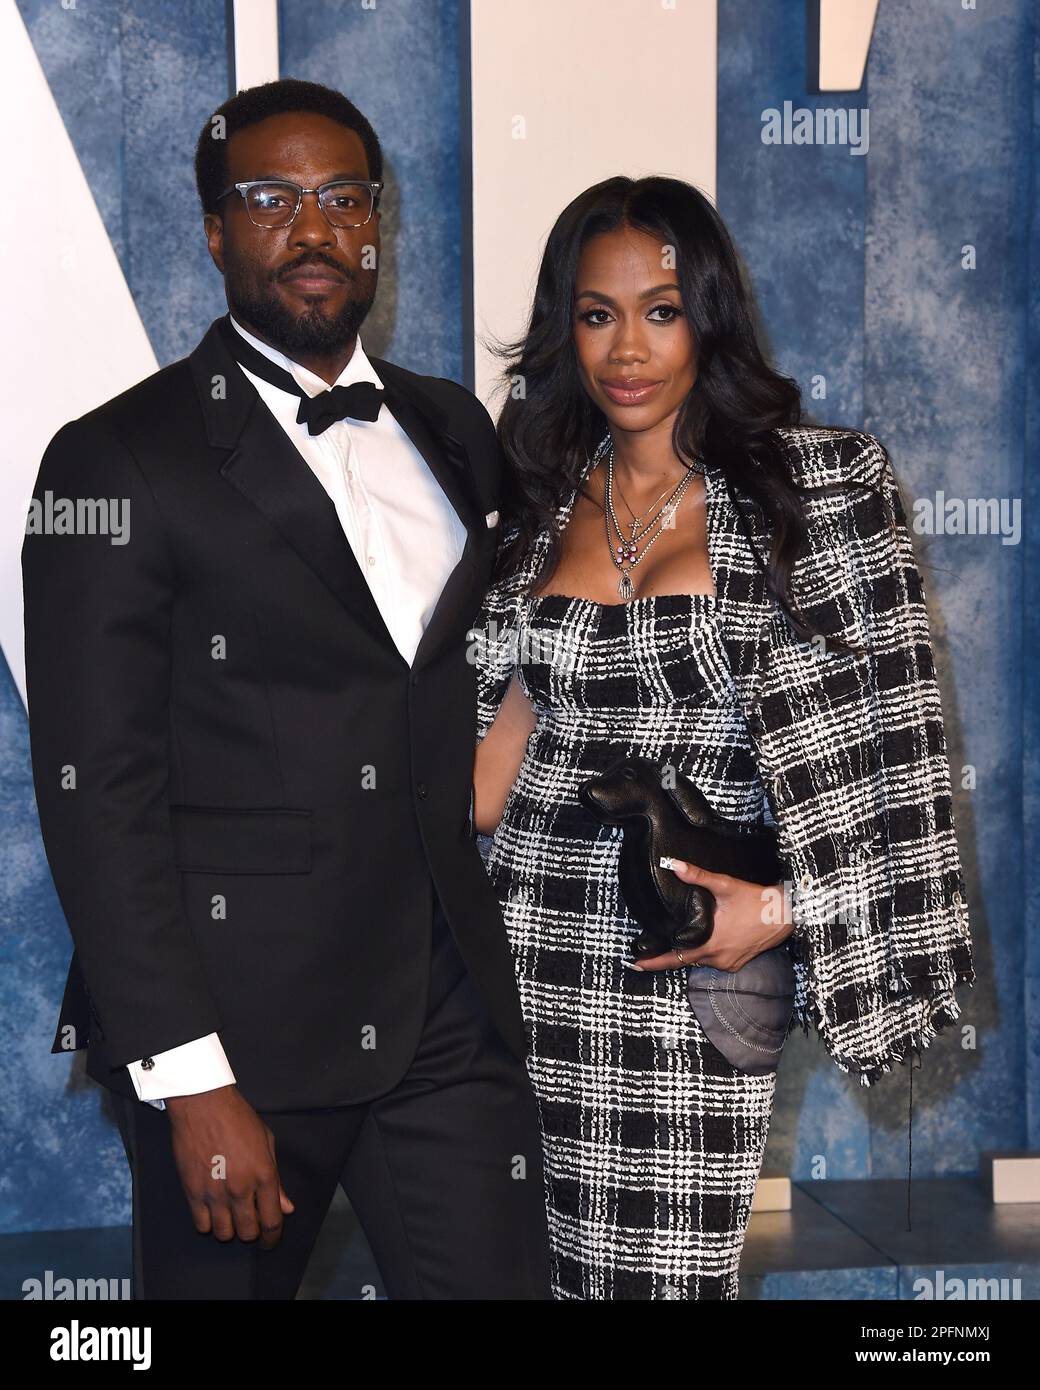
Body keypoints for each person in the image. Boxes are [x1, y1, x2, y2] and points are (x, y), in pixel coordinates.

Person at [22, 77, 551, 1301]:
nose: (311, 230)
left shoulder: (453, 429)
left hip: (447, 1018)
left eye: (341, 198)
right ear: (213, 230)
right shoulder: (112, 460)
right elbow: (97, 790)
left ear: (377, 224)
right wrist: (188, 1074)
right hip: (235, 1040)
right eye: (270, 199)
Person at [471, 175, 976, 1300]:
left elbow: (902, 774)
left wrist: (782, 912)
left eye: (659, 309)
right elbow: (487, 774)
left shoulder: (825, 488)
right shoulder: (540, 500)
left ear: (709, 315)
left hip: (684, 968)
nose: (625, 348)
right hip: (519, 967)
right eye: (595, 315)